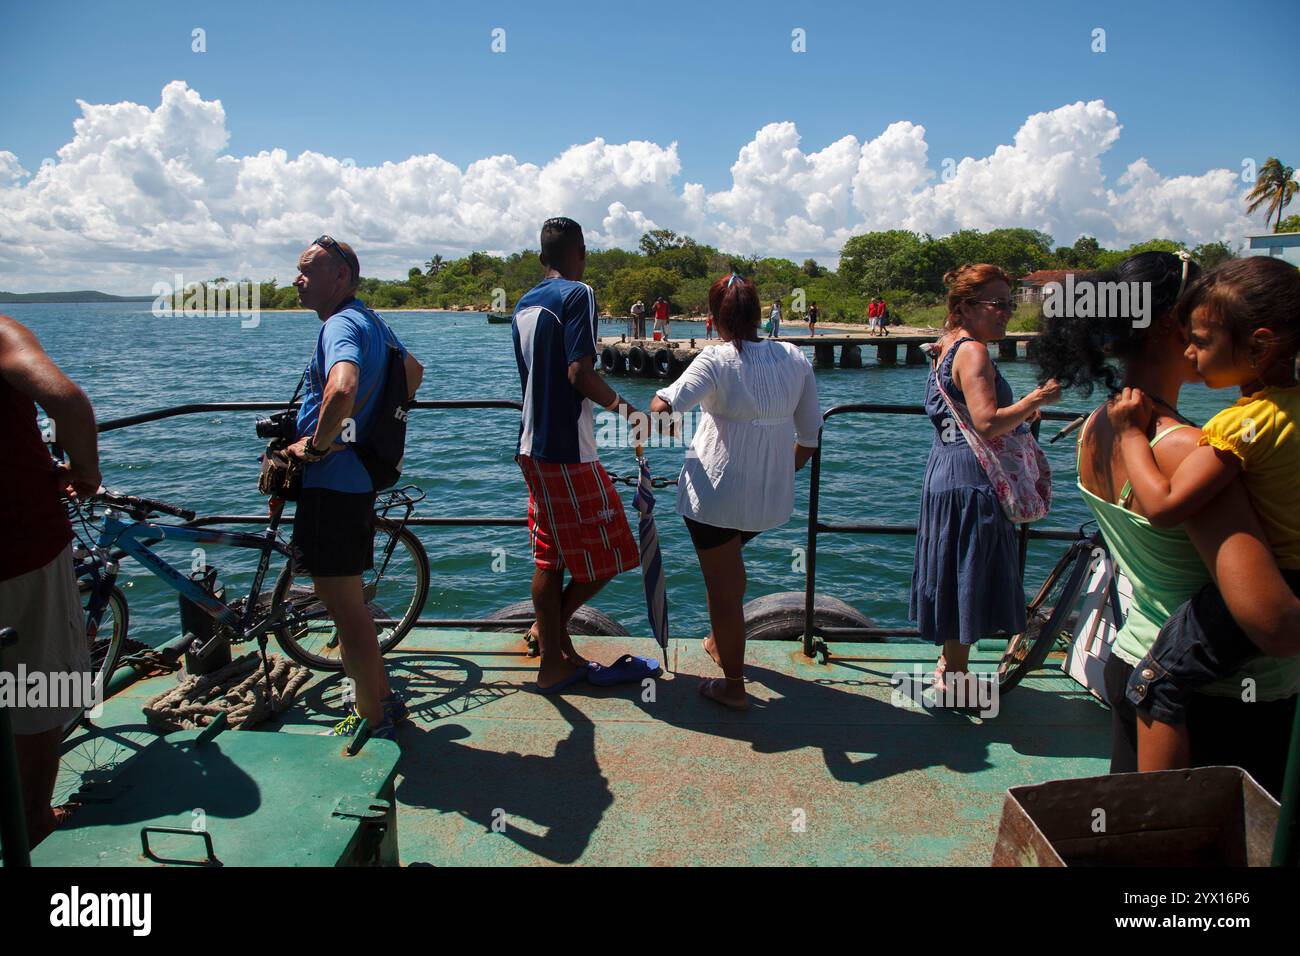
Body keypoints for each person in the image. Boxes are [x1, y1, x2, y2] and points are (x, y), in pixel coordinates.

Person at [1036, 251, 1300, 797]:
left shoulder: (1097, 428)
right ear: (1169, 325)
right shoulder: (1184, 450)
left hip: (1133, 660)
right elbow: (1273, 624)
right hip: (1221, 697)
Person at [1106, 256, 1300, 774]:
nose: (1192, 351)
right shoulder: (1269, 417)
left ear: (1257, 344)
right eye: (1187, 335)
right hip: (1241, 683)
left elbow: (1165, 507)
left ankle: (1158, 822)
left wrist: (1129, 435)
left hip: (1147, 646)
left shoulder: (1234, 427)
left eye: (1203, 338)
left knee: (1157, 685)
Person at [650, 275, 822, 709]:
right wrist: (781, 471)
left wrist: (650, 412)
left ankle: (733, 685)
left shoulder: (714, 360)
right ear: (759, 315)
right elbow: (810, 435)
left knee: (724, 588)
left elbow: (666, 405)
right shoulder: (795, 357)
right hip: (769, 500)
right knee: (728, 577)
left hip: (712, 497)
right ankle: (718, 642)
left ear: (713, 320)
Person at [286, 236, 424, 740]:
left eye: (307, 269)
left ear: (339, 277)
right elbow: (414, 373)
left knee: (345, 608)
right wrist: (367, 428)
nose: (296, 278)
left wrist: (320, 446)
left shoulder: (340, 324)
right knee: (348, 601)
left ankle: (371, 715)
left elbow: (341, 386)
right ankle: (380, 698)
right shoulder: (372, 321)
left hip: (333, 484)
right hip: (359, 477)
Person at [909, 264, 1060, 697]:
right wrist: (1036, 399)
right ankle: (955, 678)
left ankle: (949, 665)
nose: (1007, 313)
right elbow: (988, 422)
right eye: (998, 304)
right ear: (965, 306)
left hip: (946, 469)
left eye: (1009, 304)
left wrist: (1022, 411)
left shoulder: (944, 347)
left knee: (954, 566)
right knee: (969, 569)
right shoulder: (973, 352)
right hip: (972, 478)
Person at [512, 217, 643, 692]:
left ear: (542, 254)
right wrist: (629, 412)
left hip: (531, 447)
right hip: (568, 450)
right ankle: (550, 640)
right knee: (616, 552)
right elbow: (578, 373)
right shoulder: (578, 294)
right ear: (579, 251)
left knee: (551, 557)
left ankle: (554, 655)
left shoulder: (524, 304)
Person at [0, 315, 99, 847]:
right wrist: (86, 470)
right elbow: (67, 401)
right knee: (38, 685)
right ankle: (34, 820)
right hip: (18, 547)